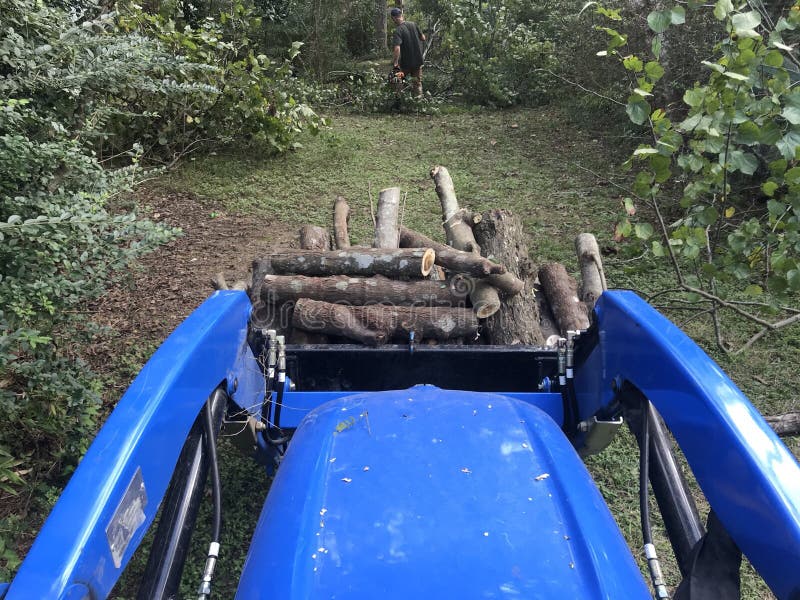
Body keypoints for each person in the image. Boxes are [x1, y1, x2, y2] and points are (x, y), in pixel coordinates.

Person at [390, 8, 426, 97]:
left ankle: (399, 102)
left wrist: (395, 63)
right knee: (417, 83)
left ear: (394, 18)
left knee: (398, 81)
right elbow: (423, 38)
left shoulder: (398, 30)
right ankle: (418, 103)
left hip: (406, 63)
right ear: (402, 15)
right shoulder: (413, 24)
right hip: (418, 61)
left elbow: (397, 48)